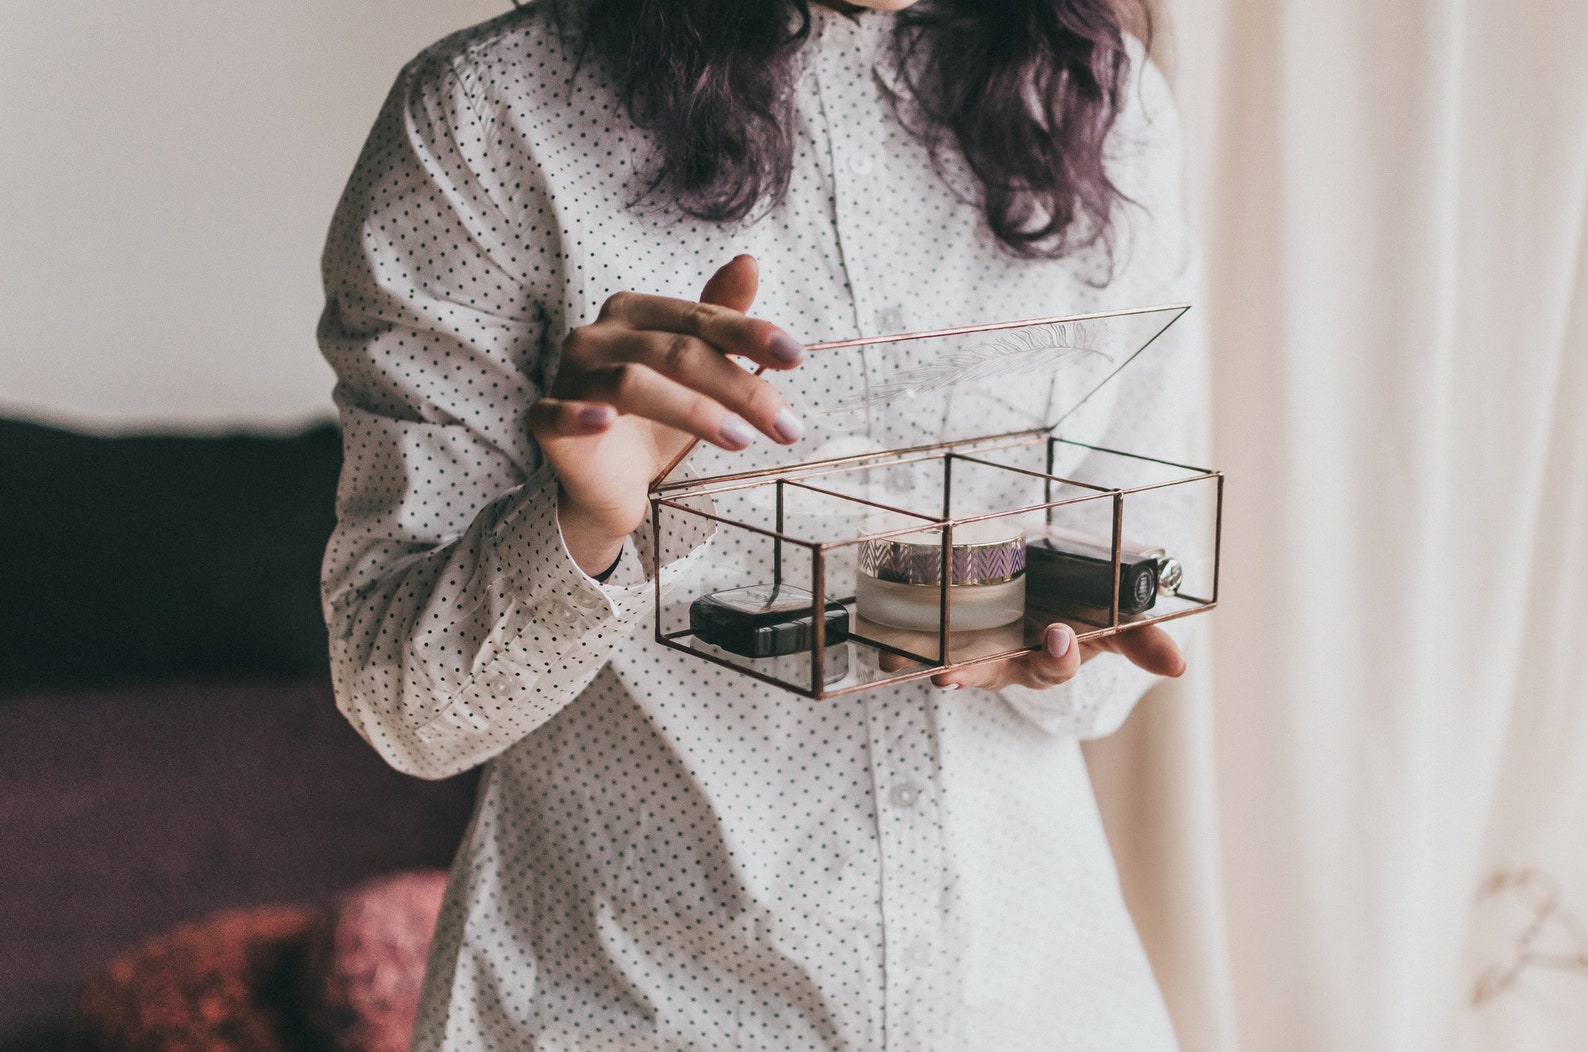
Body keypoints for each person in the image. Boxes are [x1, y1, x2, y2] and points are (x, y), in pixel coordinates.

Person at [318, 0, 1204, 1047]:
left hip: (1040, 995)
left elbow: (1151, 529)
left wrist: (1068, 624)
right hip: (631, 1004)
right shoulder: (488, 115)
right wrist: (581, 528)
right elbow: (404, 699)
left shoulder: (1100, 94)